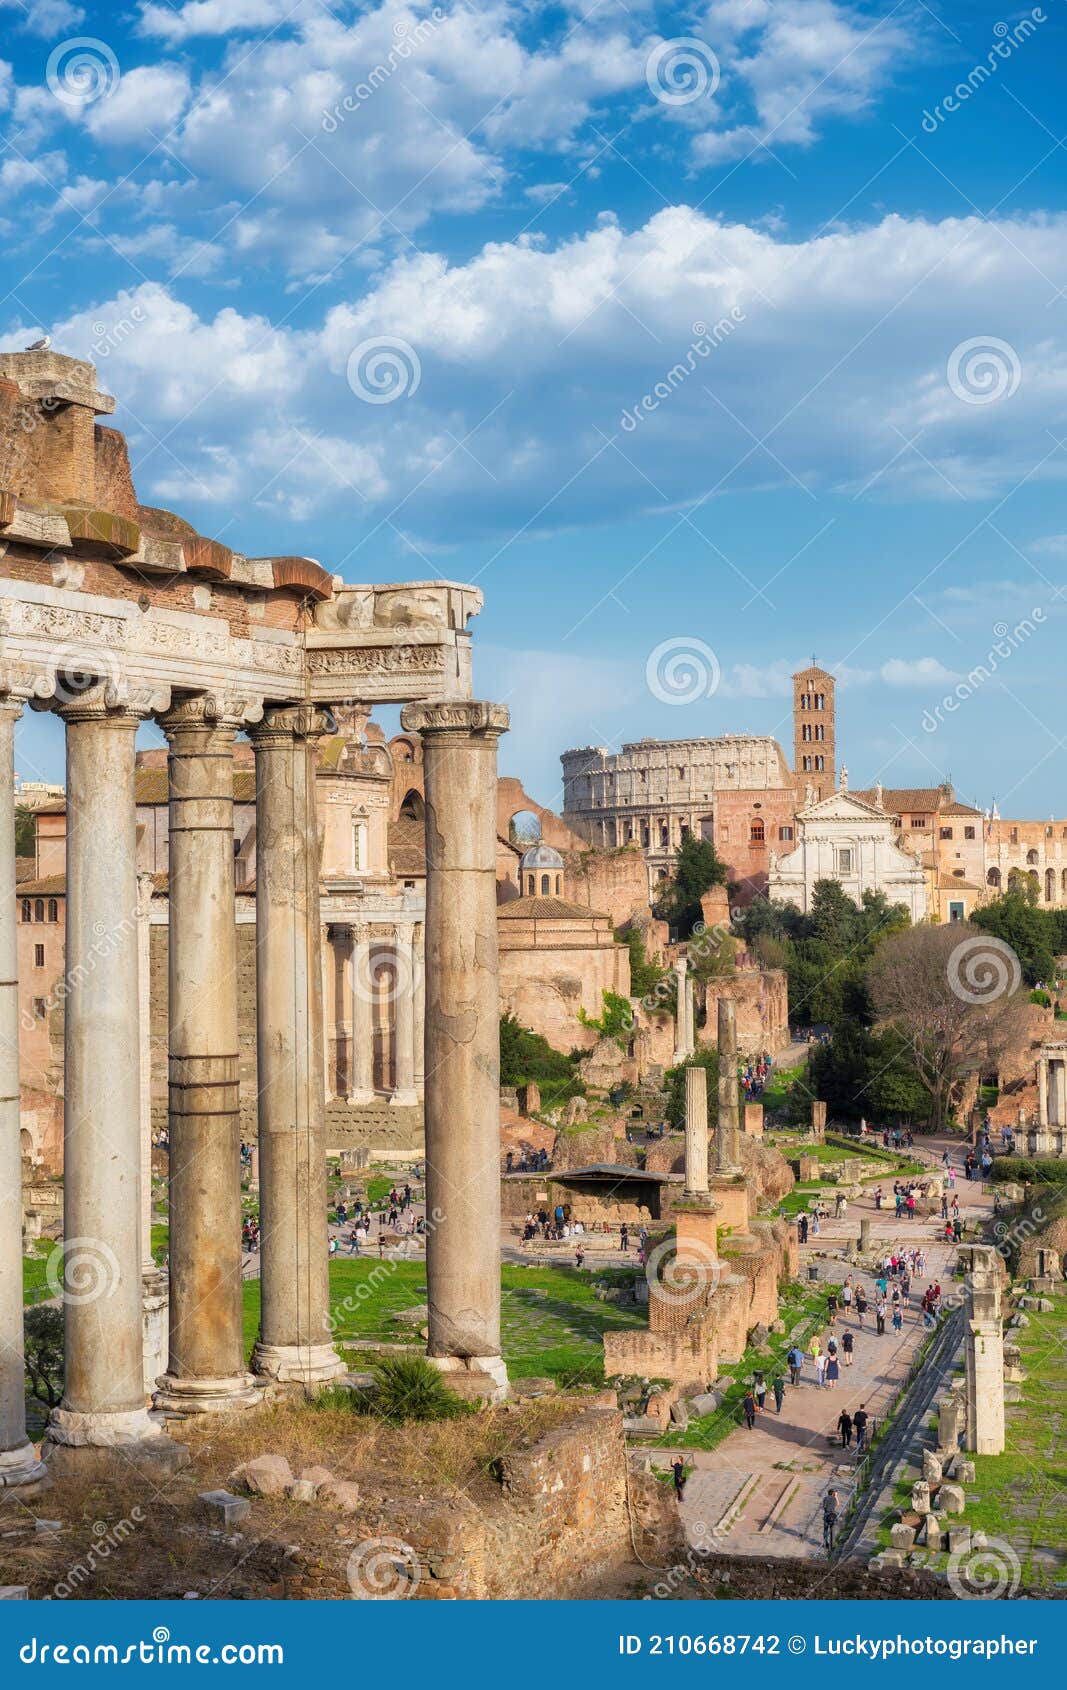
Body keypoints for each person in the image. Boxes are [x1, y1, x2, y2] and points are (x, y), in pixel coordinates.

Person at [822, 1487, 840, 1552]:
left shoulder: (825, 1498)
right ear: (833, 1493)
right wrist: (836, 1496)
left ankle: (825, 1543)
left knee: (825, 1530)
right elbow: (838, 1504)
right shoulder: (834, 1498)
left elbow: (824, 1506)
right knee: (832, 1529)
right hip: (832, 1515)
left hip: (826, 1515)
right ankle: (832, 1544)